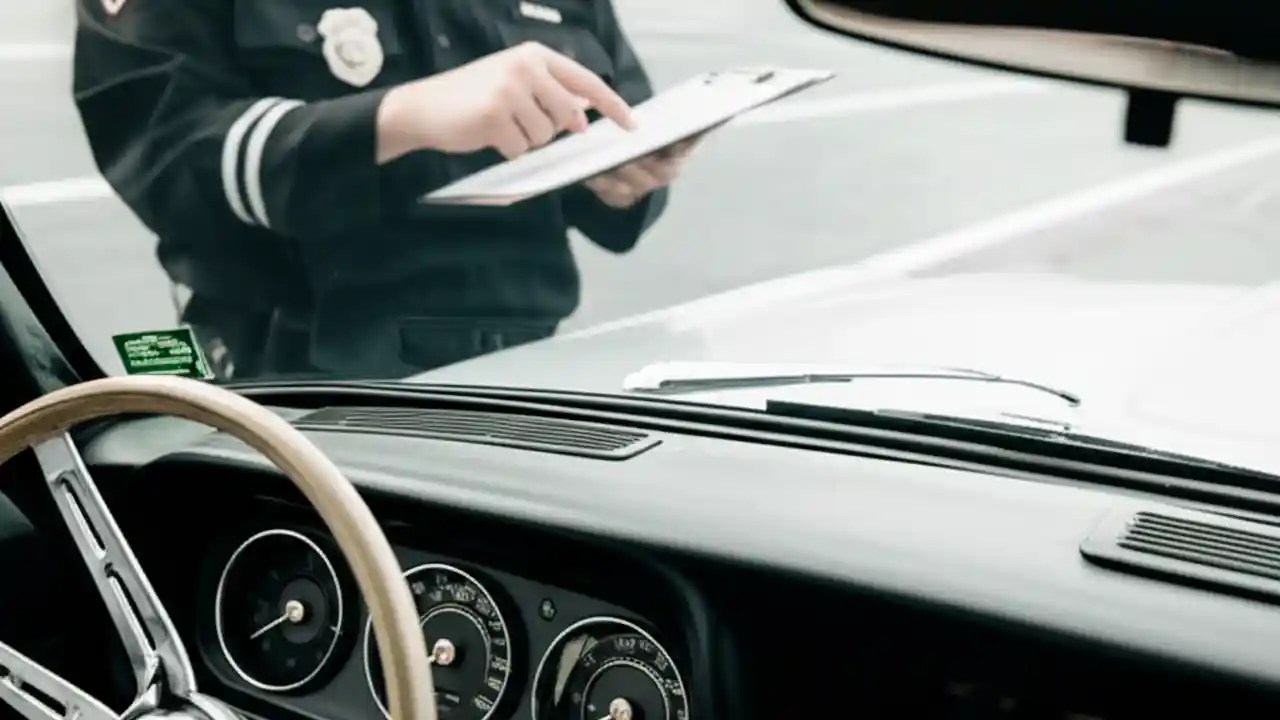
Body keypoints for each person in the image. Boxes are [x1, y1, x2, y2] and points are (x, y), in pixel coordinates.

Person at [72, 0, 697, 379]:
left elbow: (620, 118)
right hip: (294, 388)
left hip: (526, 377)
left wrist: (625, 178)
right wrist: (396, 119)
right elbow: (160, 152)